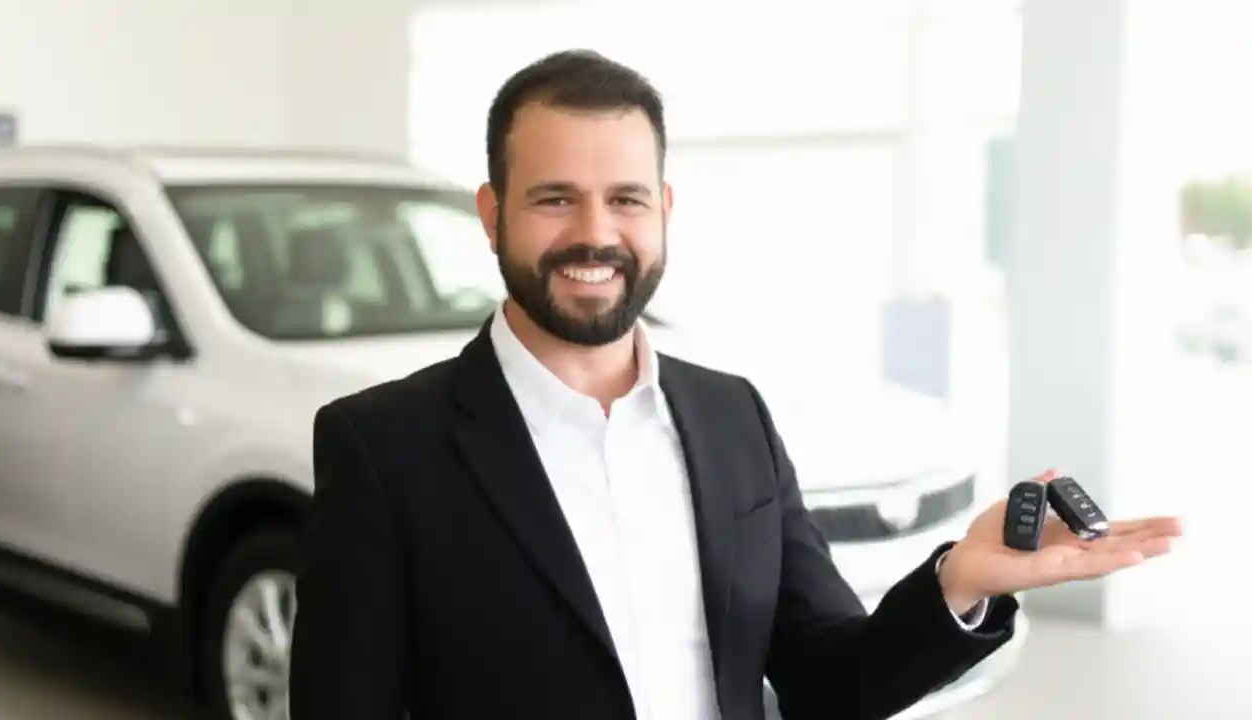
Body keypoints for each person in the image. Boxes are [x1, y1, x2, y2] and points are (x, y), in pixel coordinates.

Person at [289, 49, 1182, 720]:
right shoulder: (384, 448)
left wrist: (961, 580)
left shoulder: (730, 416)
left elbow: (829, 678)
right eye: (555, 199)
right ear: (493, 214)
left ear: (664, 212)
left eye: (627, 199)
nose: (595, 235)